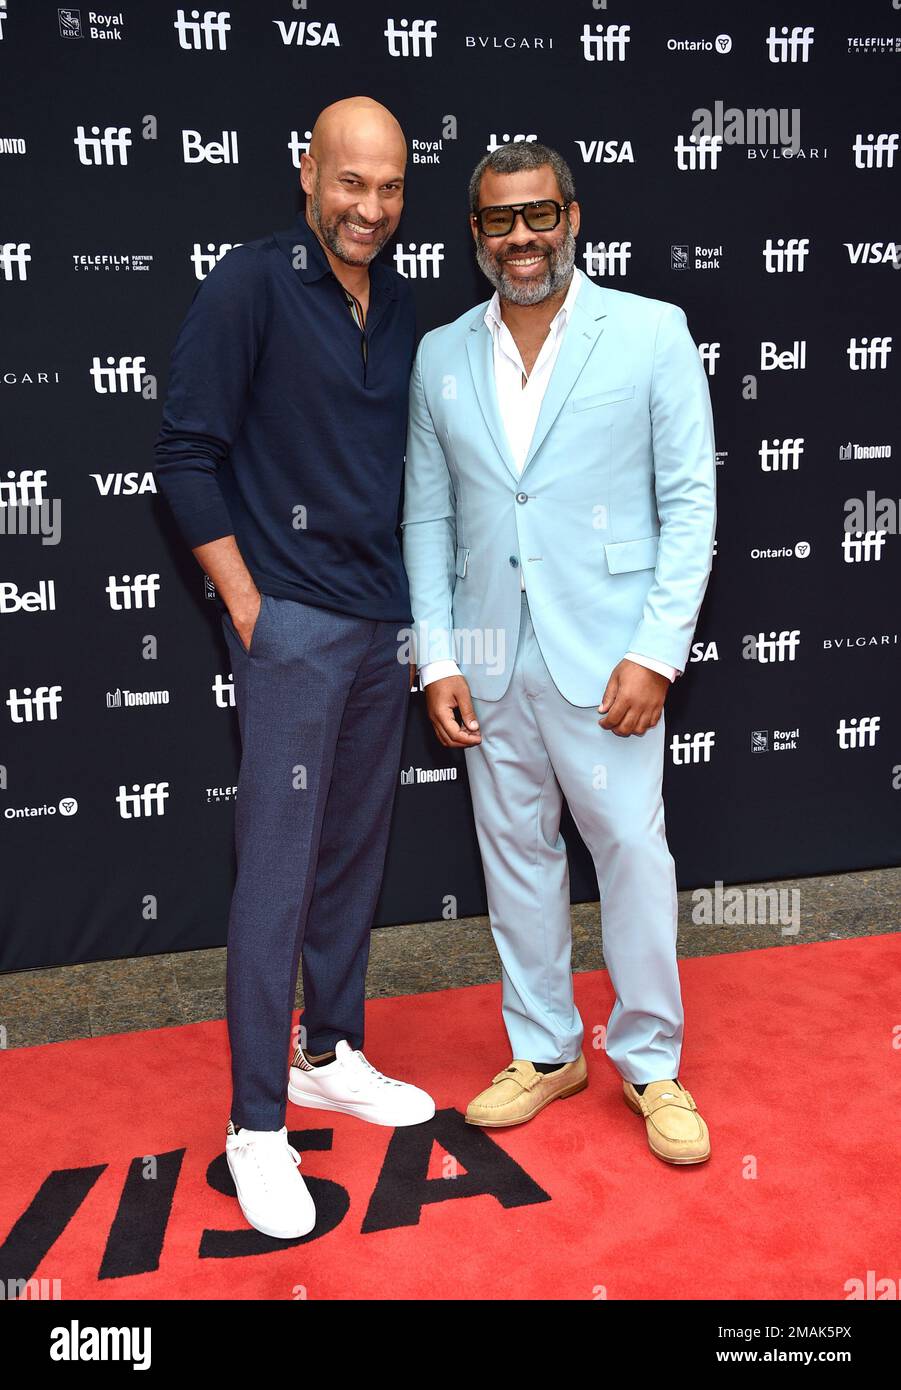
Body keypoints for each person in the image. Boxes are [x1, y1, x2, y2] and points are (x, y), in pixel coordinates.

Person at [153, 96, 435, 1241]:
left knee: (352, 855)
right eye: (349, 183)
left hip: (380, 625)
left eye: (389, 189)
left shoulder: (409, 303)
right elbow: (182, 452)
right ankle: (255, 1123)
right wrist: (248, 609)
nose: (368, 209)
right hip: (292, 628)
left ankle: (329, 1051)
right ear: (307, 176)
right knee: (275, 869)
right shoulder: (251, 283)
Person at [402, 142, 716, 1164]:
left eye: (539, 215)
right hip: (490, 653)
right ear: (475, 235)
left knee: (629, 850)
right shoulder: (441, 354)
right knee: (516, 856)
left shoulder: (650, 333)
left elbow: (690, 504)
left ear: (571, 217)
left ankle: (649, 1060)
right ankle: (543, 1049)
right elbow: (427, 520)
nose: (522, 237)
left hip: (609, 656)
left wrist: (657, 650)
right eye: (500, 220)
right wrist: (438, 657)